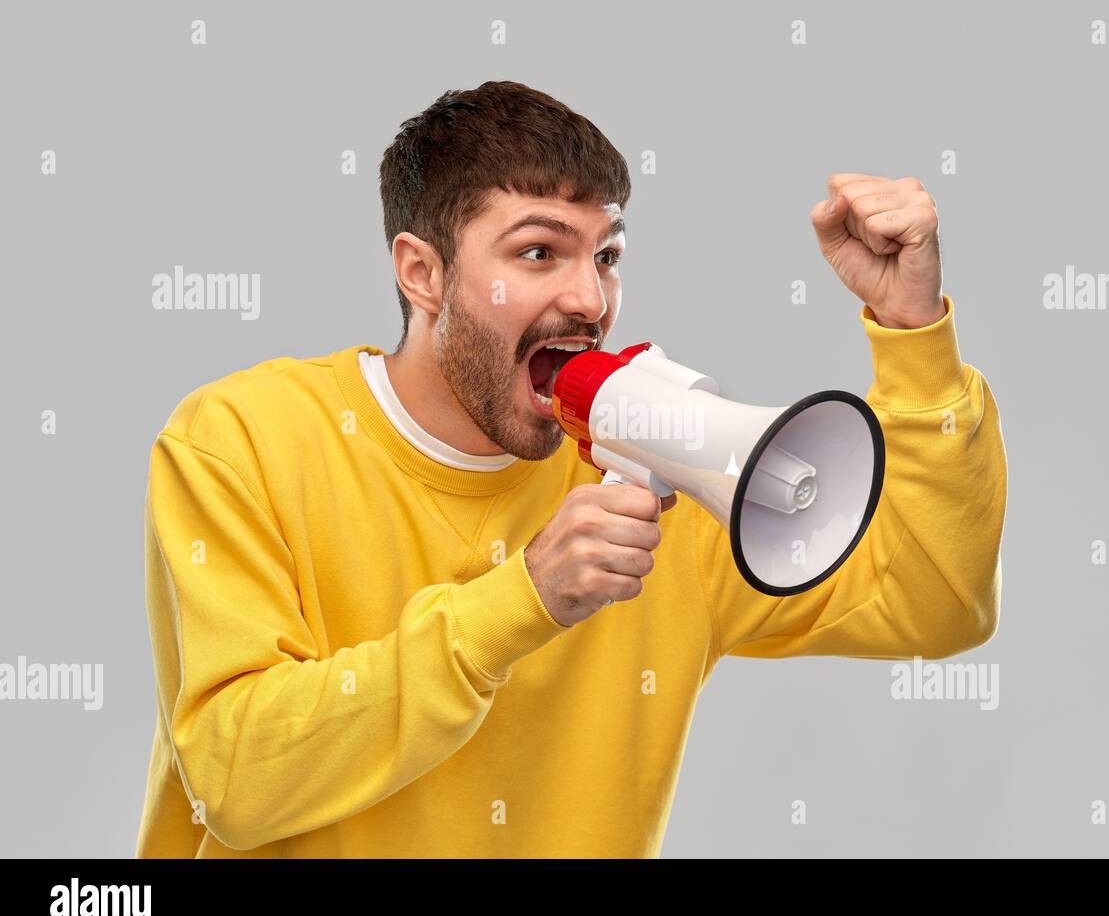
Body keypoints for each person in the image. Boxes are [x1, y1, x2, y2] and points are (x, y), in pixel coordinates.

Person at [135, 80, 1007, 858]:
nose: (590, 300)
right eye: (539, 253)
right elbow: (234, 781)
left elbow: (937, 606)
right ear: (422, 272)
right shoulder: (241, 440)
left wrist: (914, 335)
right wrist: (523, 601)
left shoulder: (666, 475)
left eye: (607, 255)